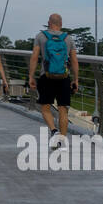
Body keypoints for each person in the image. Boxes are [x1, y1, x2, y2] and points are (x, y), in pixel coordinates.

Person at [27, 13, 80, 147]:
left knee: (45, 108)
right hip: (64, 77)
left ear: (48, 23)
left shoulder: (41, 36)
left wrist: (31, 76)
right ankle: (61, 141)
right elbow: (74, 61)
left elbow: (34, 57)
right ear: (61, 24)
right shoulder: (68, 38)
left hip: (47, 76)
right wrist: (76, 79)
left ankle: (54, 130)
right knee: (63, 110)